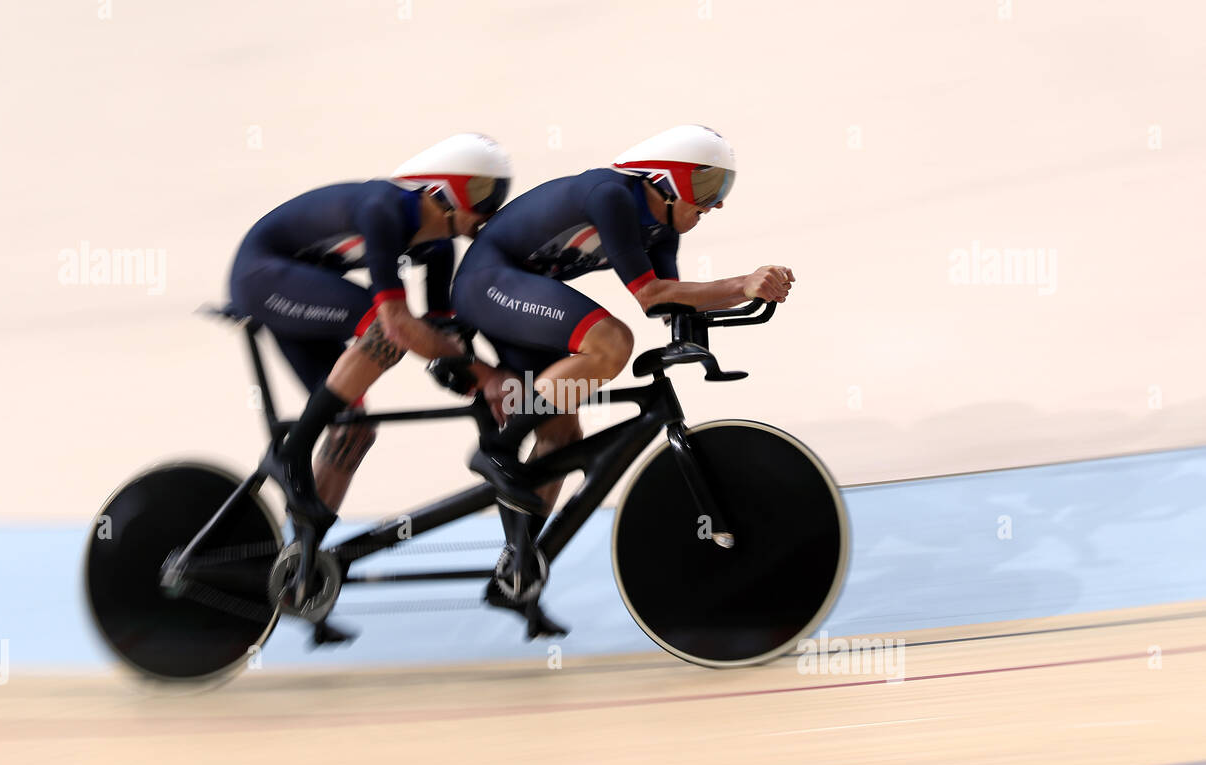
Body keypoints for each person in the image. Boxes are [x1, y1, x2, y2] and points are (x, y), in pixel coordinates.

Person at [451, 124, 794, 551]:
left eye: (723, 185)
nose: (718, 201)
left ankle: (518, 568)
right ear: (664, 179)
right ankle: (498, 449)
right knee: (611, 341)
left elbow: (674, 301)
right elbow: (651, 296)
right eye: (706, 183)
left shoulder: (662, 230)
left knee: (560, 439)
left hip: (519, 300)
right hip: (486, 284)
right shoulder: (611, 196)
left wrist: (751, 296)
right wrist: (743, 281)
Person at [227, 134, 514, 640]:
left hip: (303, 285)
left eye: (499, 193)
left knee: (353, 432)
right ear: (443, 190)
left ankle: (303, 572)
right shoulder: (385, 208)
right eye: (483, 192)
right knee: (383, 326)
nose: (492, 207)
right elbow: (400, 328)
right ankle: (293, 454)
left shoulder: (437, 246)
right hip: (263, 277)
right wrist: (479, 373)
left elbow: (444, 335)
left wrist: (478, 372)